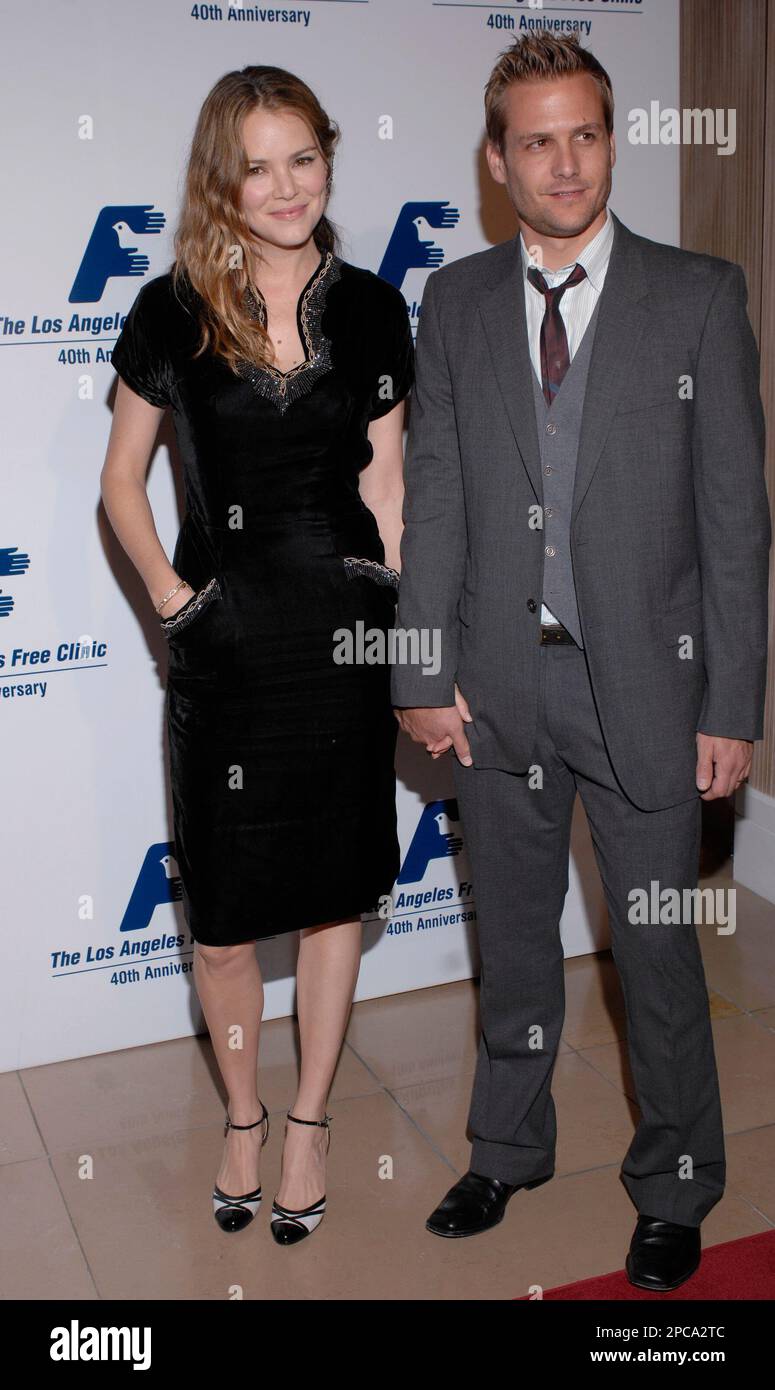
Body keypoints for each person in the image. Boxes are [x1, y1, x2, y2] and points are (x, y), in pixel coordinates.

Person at [391, 33, 770, 1291]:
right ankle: (505, 1147)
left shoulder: (700, 295)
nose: (565, 162)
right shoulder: (448, 303)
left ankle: (673, 1182)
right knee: (512, 934)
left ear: (613, 140)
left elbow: (735, 521)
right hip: (499, 684)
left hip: (653, 691)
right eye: (536, 140)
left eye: (586, 133)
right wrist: (415, 668)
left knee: (654, 948)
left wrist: (732, 701)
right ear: (498, 161)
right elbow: (431, 497)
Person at [101, 65, 413, 1243]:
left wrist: (400, 627)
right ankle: (242, 1110)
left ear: (328, 159)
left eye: (305, 158)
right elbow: (119, 486)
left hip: (341, 643)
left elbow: (387, 484)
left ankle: (312, 1117)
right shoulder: (170, 308)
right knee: (223, 918)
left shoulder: (376, 308)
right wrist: (180, 605)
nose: (285, 186)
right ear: (220, 178)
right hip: (227, 652)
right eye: (257, 164)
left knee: (335, 898)